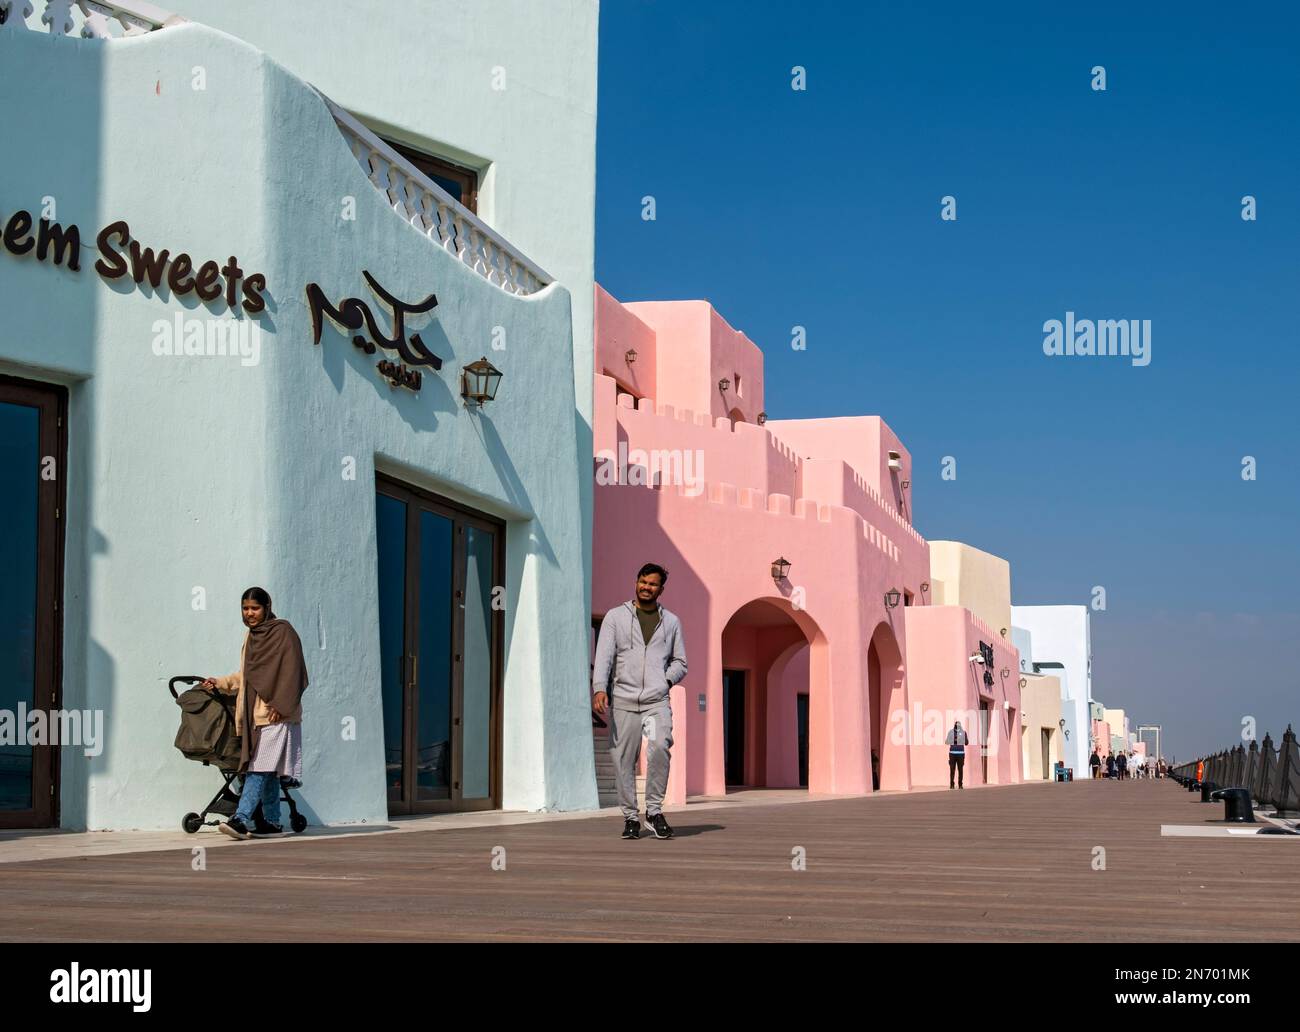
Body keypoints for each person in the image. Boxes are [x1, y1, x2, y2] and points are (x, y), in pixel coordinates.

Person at [592, 563, 687, 840]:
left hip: (656, 701)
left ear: (661, 589)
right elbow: (604, 657)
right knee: (623, 759)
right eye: (643, 582)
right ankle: (631, 817)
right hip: (623, 701)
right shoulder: (615, 617)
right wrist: (600, 688)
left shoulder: (671, 622)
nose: (647, 587)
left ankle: (654, 812)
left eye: (653, 584)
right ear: (636, 582)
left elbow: (681, 661)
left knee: (659, 747)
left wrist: (665, 681)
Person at [206, 587, 308, 840]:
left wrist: (281, 705)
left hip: (277, 715)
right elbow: (248, 677)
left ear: (267, 607)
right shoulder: (251, 637)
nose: (250, 613)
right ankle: (272, 822)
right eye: (245, 608)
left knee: (259, 767)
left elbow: (294, 671)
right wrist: (219, 683)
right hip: (256, 716)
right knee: (268, 770)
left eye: (255, 608)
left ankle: (240, 819)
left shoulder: (283, 632)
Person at [945, 720, 969, 789]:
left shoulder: (964, 733)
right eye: (956, 725)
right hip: (952, 754)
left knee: (960, 770)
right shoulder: (951, 732)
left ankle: (960, 785)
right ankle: (952, 784)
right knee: (952, 769)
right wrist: (954, 740)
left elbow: (966, 743)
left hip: (961, 754)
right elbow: (946, 742)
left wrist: (962, 740)